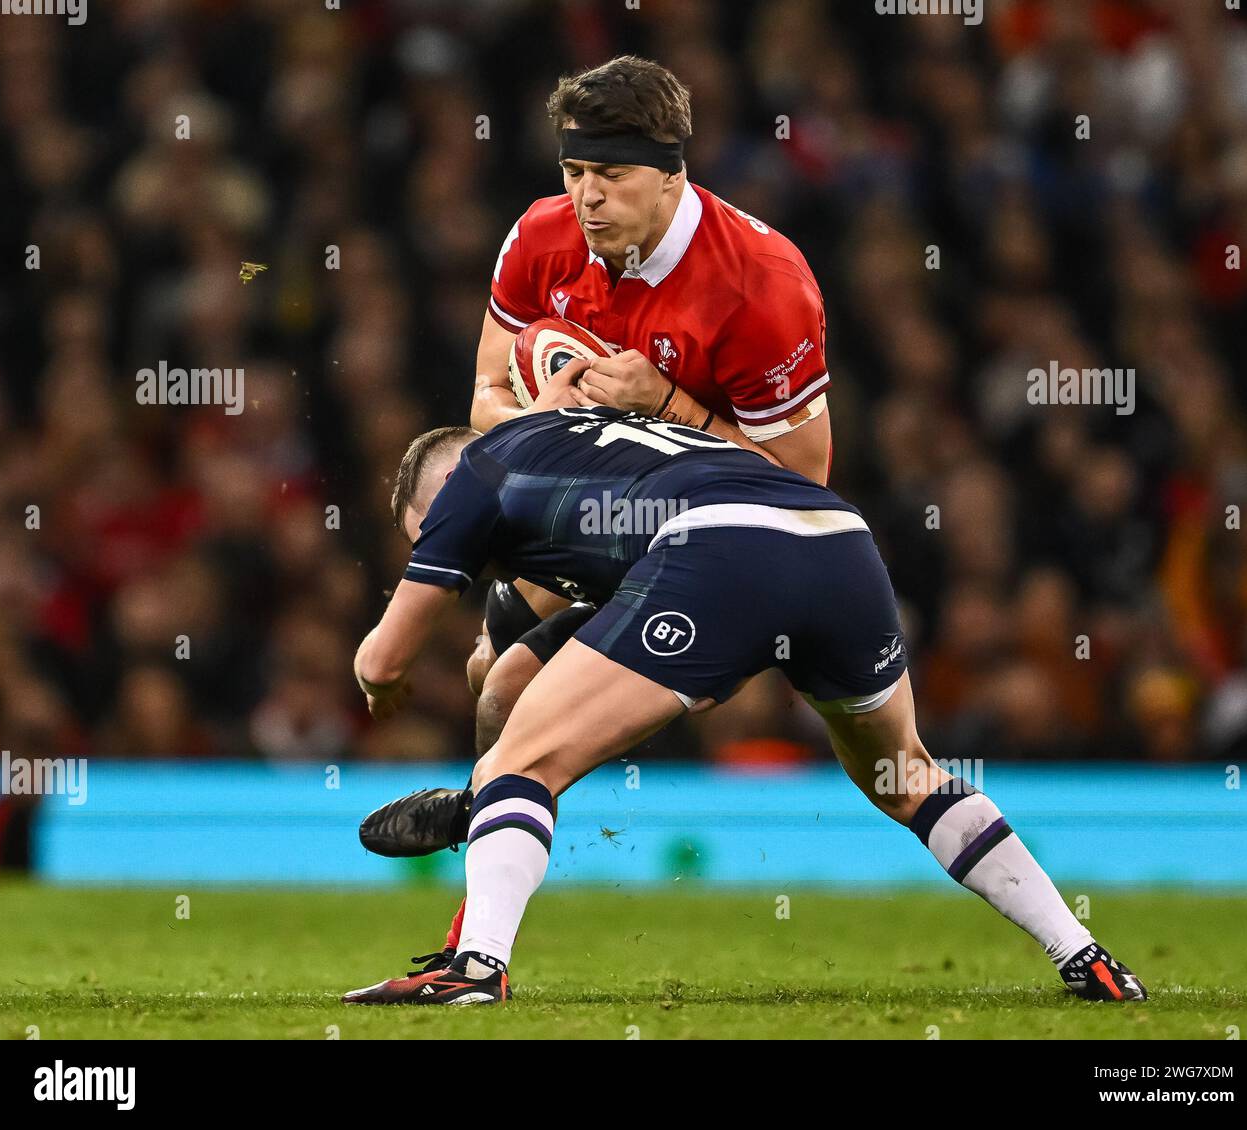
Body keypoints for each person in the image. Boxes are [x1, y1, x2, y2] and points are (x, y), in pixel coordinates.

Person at [342, 406, 1147, 1005]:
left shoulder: (474, 474)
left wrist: (385, 684)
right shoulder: (569, 449)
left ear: (439, 490)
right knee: (906, 776)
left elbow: (385, 659)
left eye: (427, 533)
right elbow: (521, 666)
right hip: (839, 540)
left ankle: (476, 968)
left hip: (721, 547)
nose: (441, 547)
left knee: (529, 761)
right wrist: (477, 799)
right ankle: (1085, 956)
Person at [365, 53, 838, 963]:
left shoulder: (763, 282)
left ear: (671, 176)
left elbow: (803, 480)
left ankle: (479, 897)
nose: (587, 198)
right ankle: (489, 881)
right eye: (575, 173)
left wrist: (669, 404)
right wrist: (542, 421)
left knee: (506, 686)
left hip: (720, 543)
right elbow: (483, 401)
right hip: (598, 527)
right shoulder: (540, 238)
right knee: (485, 678)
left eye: (611, 177)